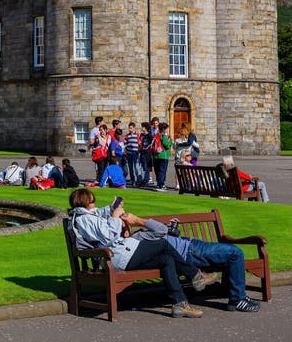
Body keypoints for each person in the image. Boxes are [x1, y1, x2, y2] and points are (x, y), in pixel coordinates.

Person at [68, 188, 211, 318]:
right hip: (117, 257)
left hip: (122, 255)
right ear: (85, 203)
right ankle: (195, 275)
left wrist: (112, 208)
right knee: (162, 244)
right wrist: (115, 217)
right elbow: (108, 236)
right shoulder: (84, 220)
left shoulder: (85, 216)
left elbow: (97, 214)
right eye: (92, 201)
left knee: (166, 259)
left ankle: (180, 303)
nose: (94, 204)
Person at [153, 122, 173, 191]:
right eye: (166, 129)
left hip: (156, 155)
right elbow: (167, 145)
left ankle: (160, 184)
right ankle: (161, 185)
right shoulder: (164, 135)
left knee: (158, 171)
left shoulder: (156, 135)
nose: (167, 130)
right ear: (164, 129)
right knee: (162, 171)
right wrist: (170, 141)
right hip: (163, 155)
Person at [124, 122, 140, 187]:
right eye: (129, 128)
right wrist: (125, 150)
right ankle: (132, 180)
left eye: (131, 128)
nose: (129, 129)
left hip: (135, 153)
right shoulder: (127, 136)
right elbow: (125, 144)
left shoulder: (138, 135)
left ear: (134, 128)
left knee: (137, 167)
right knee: (130, 168)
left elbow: (140, 144)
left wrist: (139, 151)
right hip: (129, 154)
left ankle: (139, 180)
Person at [139, 121, 154, 186]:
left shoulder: (149, 135)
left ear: (145, 128)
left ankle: (145, 180)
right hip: (142, 152)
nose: (141, 128)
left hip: (147, 153)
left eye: (142, 127)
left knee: (147, 167)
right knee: (144, 167)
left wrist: (149, 146)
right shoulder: (142, 135)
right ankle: (146, 180)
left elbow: (153, 142)